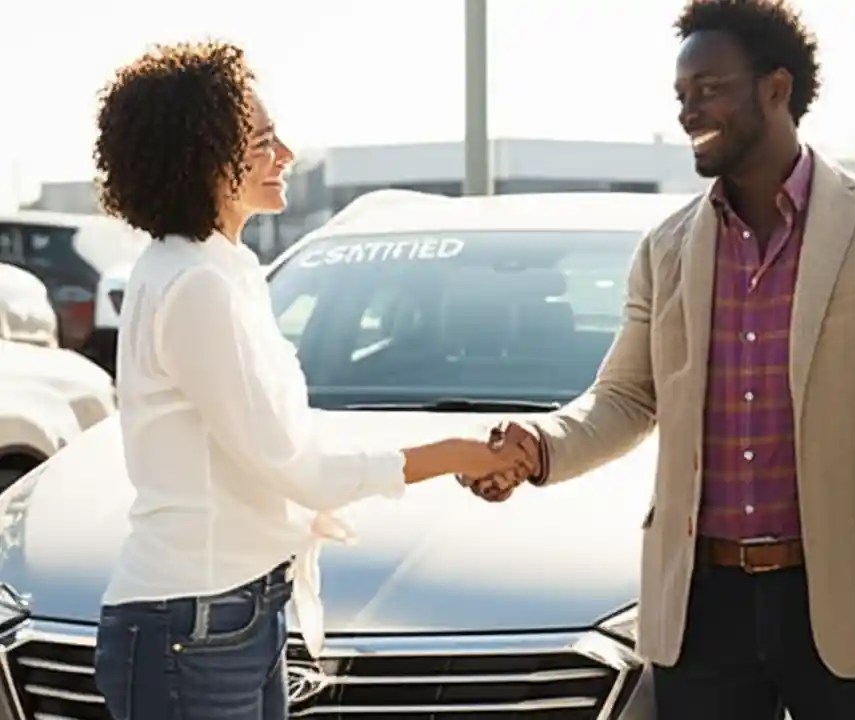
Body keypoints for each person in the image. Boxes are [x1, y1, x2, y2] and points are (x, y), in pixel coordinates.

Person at [462, 1, 855, 717]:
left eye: (710, 89)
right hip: (703, 611)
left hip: (849, 604)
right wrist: (538, 446)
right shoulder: (667, 249)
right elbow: (625, 398)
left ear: (776, 88)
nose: (689, 112)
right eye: (681, 96)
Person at [88, 41, 531, 720]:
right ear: (202, 154)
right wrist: (461, 454)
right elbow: (293, 464)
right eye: (262, 140)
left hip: (229, 615)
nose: (286, 154)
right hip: (194, 627)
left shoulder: (214, 267)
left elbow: (276, 440)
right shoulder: (198, 282)